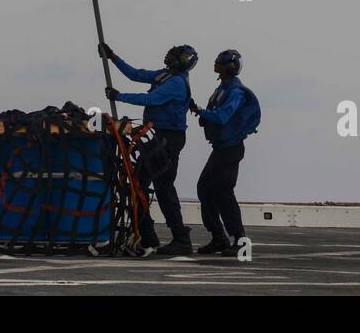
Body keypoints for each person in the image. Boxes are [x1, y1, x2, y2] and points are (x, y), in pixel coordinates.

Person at [101, 41, 197, 257]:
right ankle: (155, 235)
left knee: (149, 185)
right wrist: (112, 57)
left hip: (167, 139)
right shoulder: (164, 75)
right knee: (149, 186)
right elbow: (136, 74)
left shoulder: (177, 83)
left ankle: (169, 237)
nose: (169, 55)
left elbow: (151, 99)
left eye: (175, 54)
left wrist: (119, 96)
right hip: (157, 138)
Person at [190, 49, 261, 255]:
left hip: (230, 149)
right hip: (221, 148)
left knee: (223, 193)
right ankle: (219, 237)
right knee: (205, 189)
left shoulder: (236, 91)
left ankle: (239, 239)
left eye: (219, 62)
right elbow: (216, 115)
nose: (216, 64)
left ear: (228, 67)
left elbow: (223, 116)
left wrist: (202, 112)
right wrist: (204, 115)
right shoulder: (222, 88)